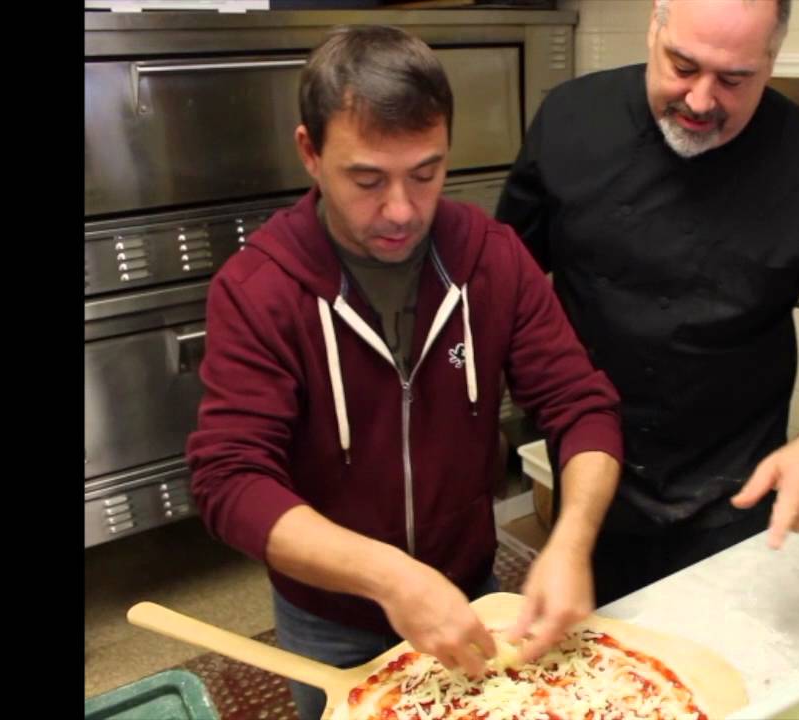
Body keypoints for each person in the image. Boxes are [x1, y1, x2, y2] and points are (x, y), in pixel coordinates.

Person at [186, 25, 622, 720]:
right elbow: (229, 480)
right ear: (310, 152)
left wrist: (570, 540)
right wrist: (387, 576)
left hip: (470, 589)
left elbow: (582, 406)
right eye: (367, 180)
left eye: (426, 173)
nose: (401, 210)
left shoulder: (493, 258)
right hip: (330, 617)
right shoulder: (258, 288)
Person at [495, 0, 799, 607]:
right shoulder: (572, 119)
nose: (700, 100)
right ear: (655, 25)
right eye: (682, 67)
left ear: (771, 61)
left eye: (734, 79)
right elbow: (507, 281)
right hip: (592, 472)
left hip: (734, 494)